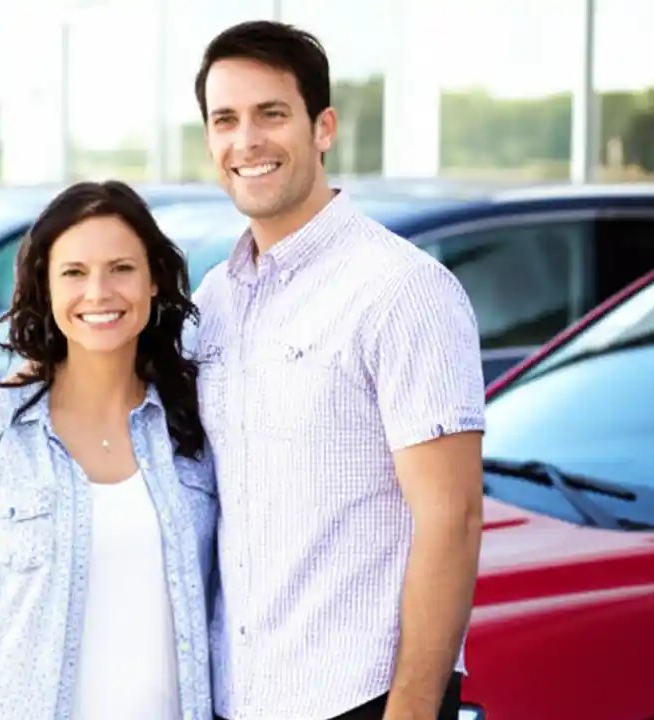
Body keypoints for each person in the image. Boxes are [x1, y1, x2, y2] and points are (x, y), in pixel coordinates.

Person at [192, 20, 486, 720]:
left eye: (272, 114)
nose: (248, 141)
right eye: (225, 119)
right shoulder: (215, 299)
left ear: (322, 128)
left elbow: (454, 516)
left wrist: (412, 709)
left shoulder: (403, 289)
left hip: (360, 698)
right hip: (238, 695)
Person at [0, 181, 218, 720]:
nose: (99, 292)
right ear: (44, 288)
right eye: (74, 272)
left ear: (154, 282)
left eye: (122, 268)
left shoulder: (196, 426)